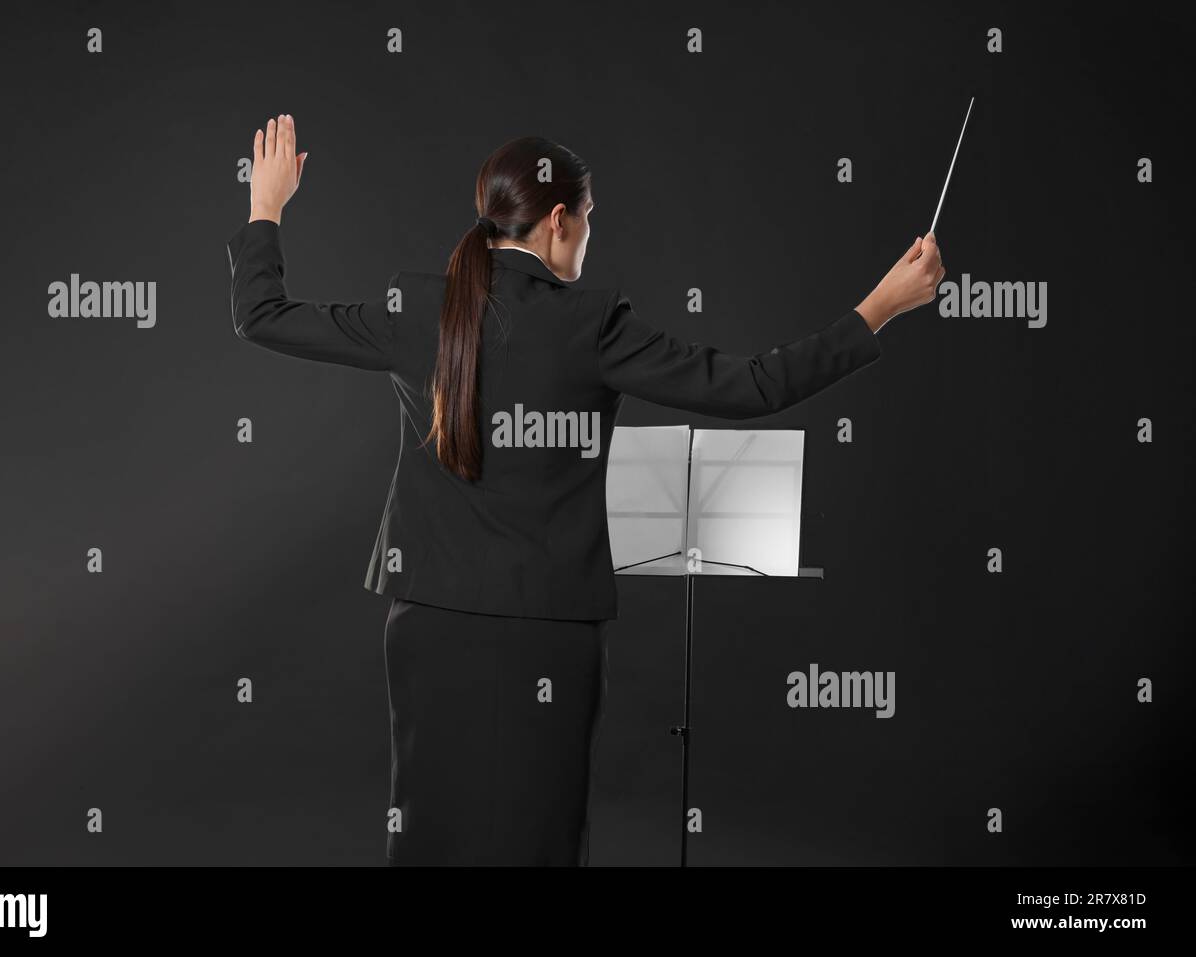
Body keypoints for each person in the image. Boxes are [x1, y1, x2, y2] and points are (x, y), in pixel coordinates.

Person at [225, 115, 944, 866]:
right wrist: (881, 306)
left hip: (430, 625)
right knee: (541, 839)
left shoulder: (417, 309)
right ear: (560, 220)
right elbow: (752, 386)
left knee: (429, 835)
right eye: (589, 219)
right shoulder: (593, 324)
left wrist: (265, 206)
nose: (589, 235)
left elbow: (261, 316)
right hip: (551, 635)